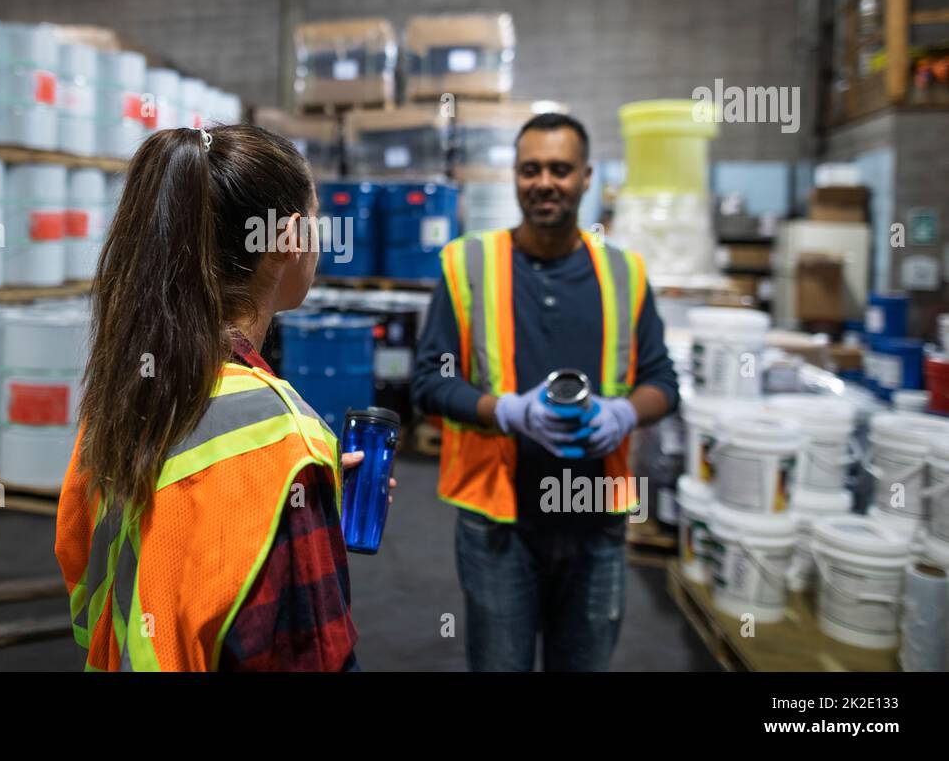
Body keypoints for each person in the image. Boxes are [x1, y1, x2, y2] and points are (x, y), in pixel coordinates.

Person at [55, 124, 374, 672]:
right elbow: (312, 655)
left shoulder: (124, 395)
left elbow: (99, 557)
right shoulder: (283, 440)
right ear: (289, 237)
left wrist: (305, 504)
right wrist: (298, 497)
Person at [411, 112, 678, 672]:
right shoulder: (468, 264)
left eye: (560, 169)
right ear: (514, 177)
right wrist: (507, 411)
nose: (544, 182)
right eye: (530, 169)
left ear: (586, 177)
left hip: (595, 520)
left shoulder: (625, 273)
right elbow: (430, 383)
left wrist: (624, 413)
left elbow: (663, 382)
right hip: (498, 525)